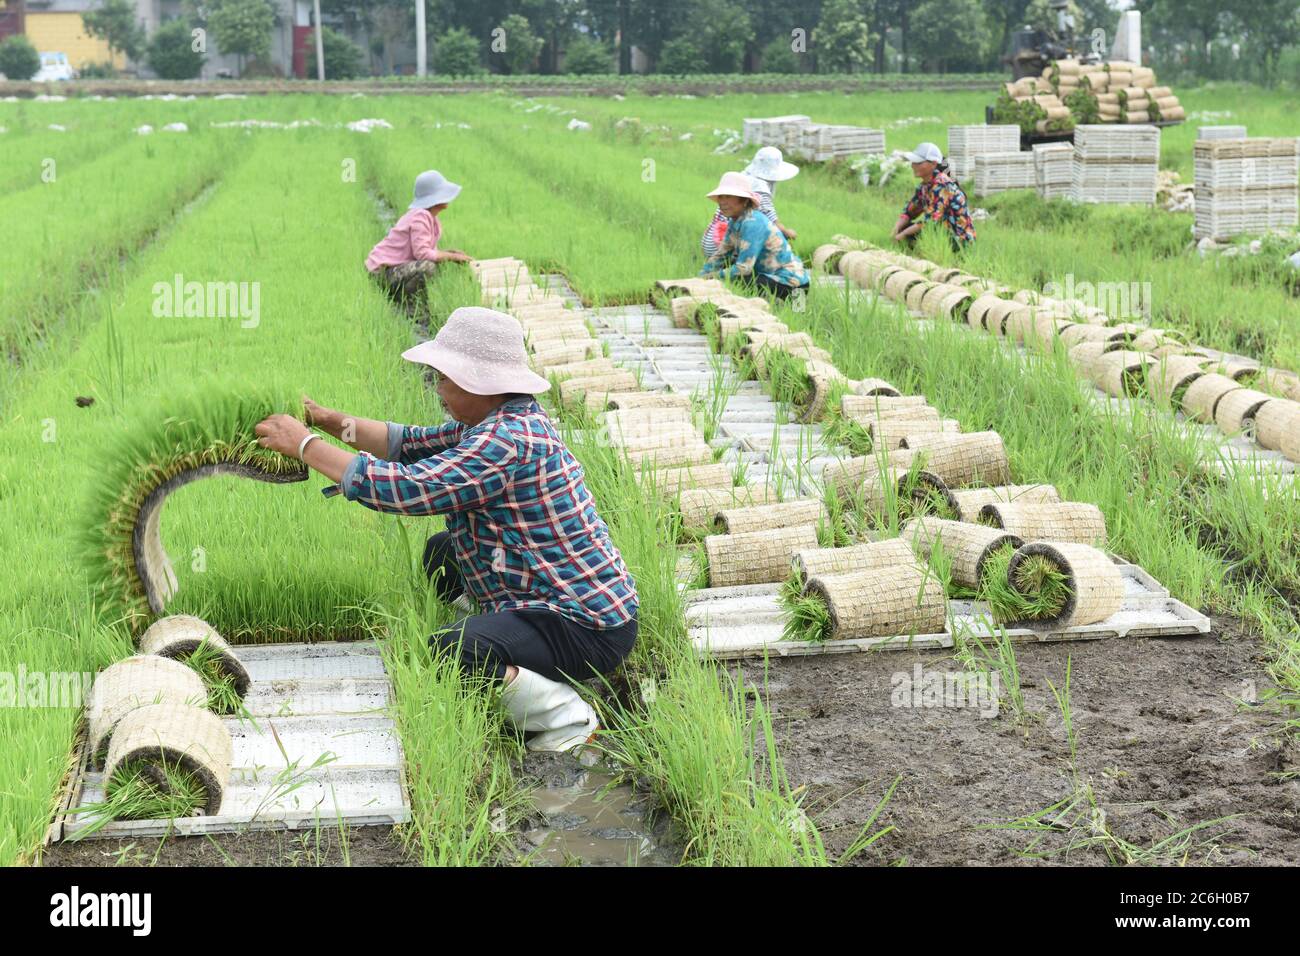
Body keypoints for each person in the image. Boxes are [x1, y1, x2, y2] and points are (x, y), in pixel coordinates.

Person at [253, 307, 639, 753]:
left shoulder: (505, 441)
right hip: (552, 597)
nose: (438, 390)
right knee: (443, 552)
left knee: (452, 652)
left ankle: (565, 714)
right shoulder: (497, 421)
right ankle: (508, 651)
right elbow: (404, 443)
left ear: (481, 383)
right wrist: (324, 420)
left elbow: (408, 489)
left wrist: (304, 445)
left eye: (443, 379)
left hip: (584, 624)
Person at [366, 170, 474, 314]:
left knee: (439, 264)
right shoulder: (420, 217)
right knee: (428, 267)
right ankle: (406, 304)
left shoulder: (429, 217)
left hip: (394, 269)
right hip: (382, 273)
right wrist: (452, 257)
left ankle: (414, 303)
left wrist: (450, 253)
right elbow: (422, 254)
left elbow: (429, 249)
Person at [700, 171, 810, 301]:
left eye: (729, 196)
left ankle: (776, 309)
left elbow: (743, 268)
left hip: (794, 283)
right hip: (773, 278)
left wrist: (712, 277)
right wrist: (700, 277)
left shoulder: (753, 223)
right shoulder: (735, 222)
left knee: (742, 281)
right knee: (739, 279)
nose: (723, 202)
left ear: (745, 200)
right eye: (721, 196)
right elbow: (721, 255)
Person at [700, 146, 799, 257]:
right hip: (721, 244)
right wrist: (788, 234)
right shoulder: (759, 187)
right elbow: (772, 220)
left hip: (710, 239)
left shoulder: (741, 179)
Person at [891, 142, 976, 253]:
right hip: (941, 232)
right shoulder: (924, 186)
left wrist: (902, 234)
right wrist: (896, 229)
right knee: (904, 228)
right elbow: (909, 211)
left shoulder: (943, 186)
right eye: (913, 162)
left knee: (909, 233)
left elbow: (930, 221)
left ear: (934, 164)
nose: (913, 165)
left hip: (958, 239)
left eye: (919, 162)